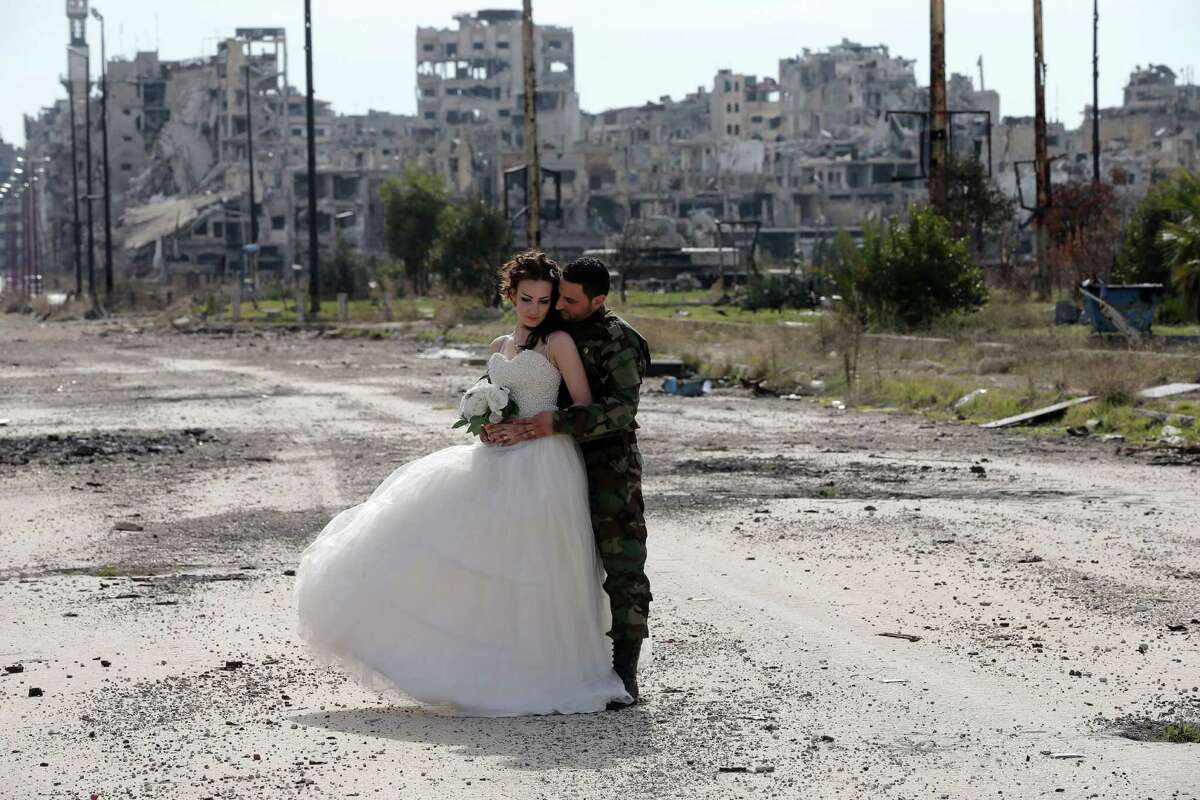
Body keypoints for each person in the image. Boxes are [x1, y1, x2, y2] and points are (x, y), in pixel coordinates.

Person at [294, 251, 630, 716]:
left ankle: (543, 670)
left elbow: (584, 406)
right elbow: (496, 398)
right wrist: (488, 422)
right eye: (526, 299)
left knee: (536, 567)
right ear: (511, 296)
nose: (534, 308)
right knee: (475, 558)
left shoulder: (558, 342)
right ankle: (477, 665)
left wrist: (529, 427)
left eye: (544, 300)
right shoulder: (498, 346)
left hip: (546, 463)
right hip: (496, 458)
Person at [486, 257, 652, 708]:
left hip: (607, 464)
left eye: (570, 299)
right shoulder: (552, 323)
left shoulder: (621, 340)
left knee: (622, 562)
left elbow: (621, 410)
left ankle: (624, 669)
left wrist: (552, 424)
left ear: (598, 301)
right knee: (539, 558)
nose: (559, 304)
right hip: (544, 460)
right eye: (559, 296)